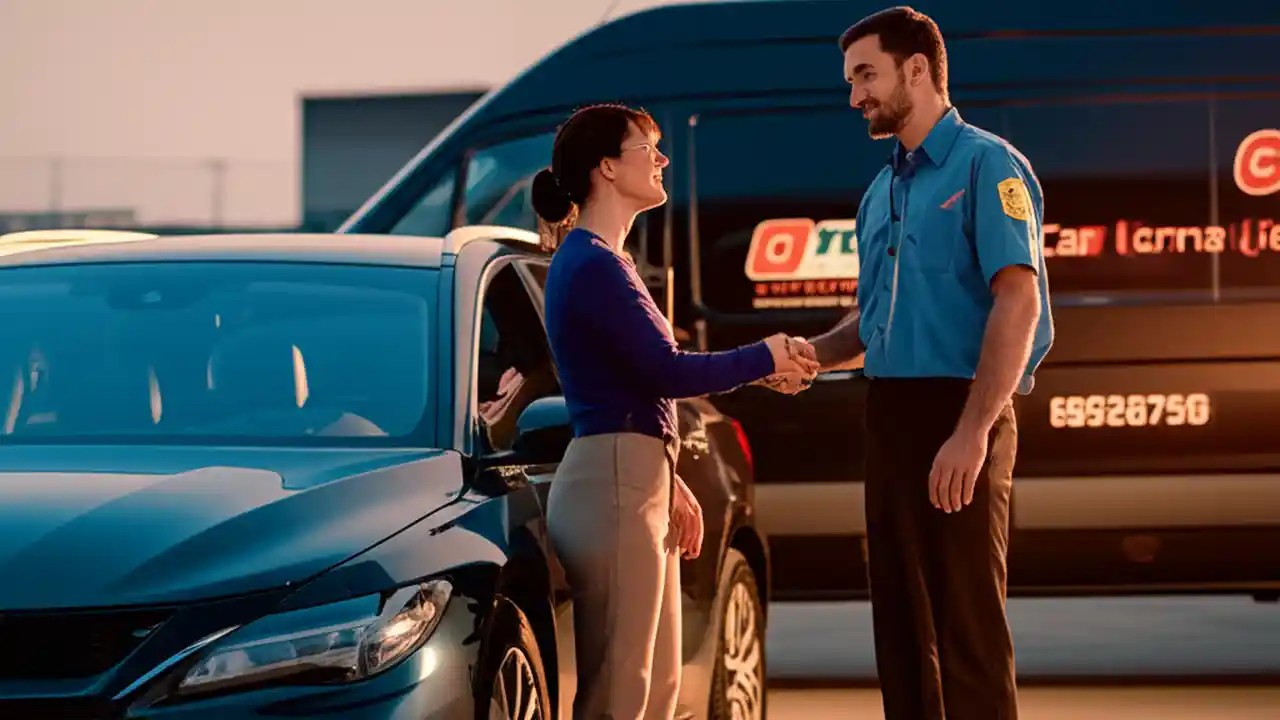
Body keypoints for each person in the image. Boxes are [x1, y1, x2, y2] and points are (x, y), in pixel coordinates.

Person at [805, 7, 1055, 720]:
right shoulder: (881, 191)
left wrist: (974, 431)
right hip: (889, 414)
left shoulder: (988, 164)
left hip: (961, 409)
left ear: (917, 68)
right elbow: (871, 318)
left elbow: (1018, 301)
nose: (855, 95)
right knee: (902, 628)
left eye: (865, 75)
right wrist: (810, 357)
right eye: (851, 79)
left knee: (966, 624)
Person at [532, 103, 819, 720]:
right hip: (611, 483)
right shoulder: (591, 265)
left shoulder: (606, 262)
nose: (662, 160)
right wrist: (766, 356)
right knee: (619, 694)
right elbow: (666, 370)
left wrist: (669, 479)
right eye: (649, 148)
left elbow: (639, 384)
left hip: (633, 478)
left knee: (657, 690)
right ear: (607, 167)